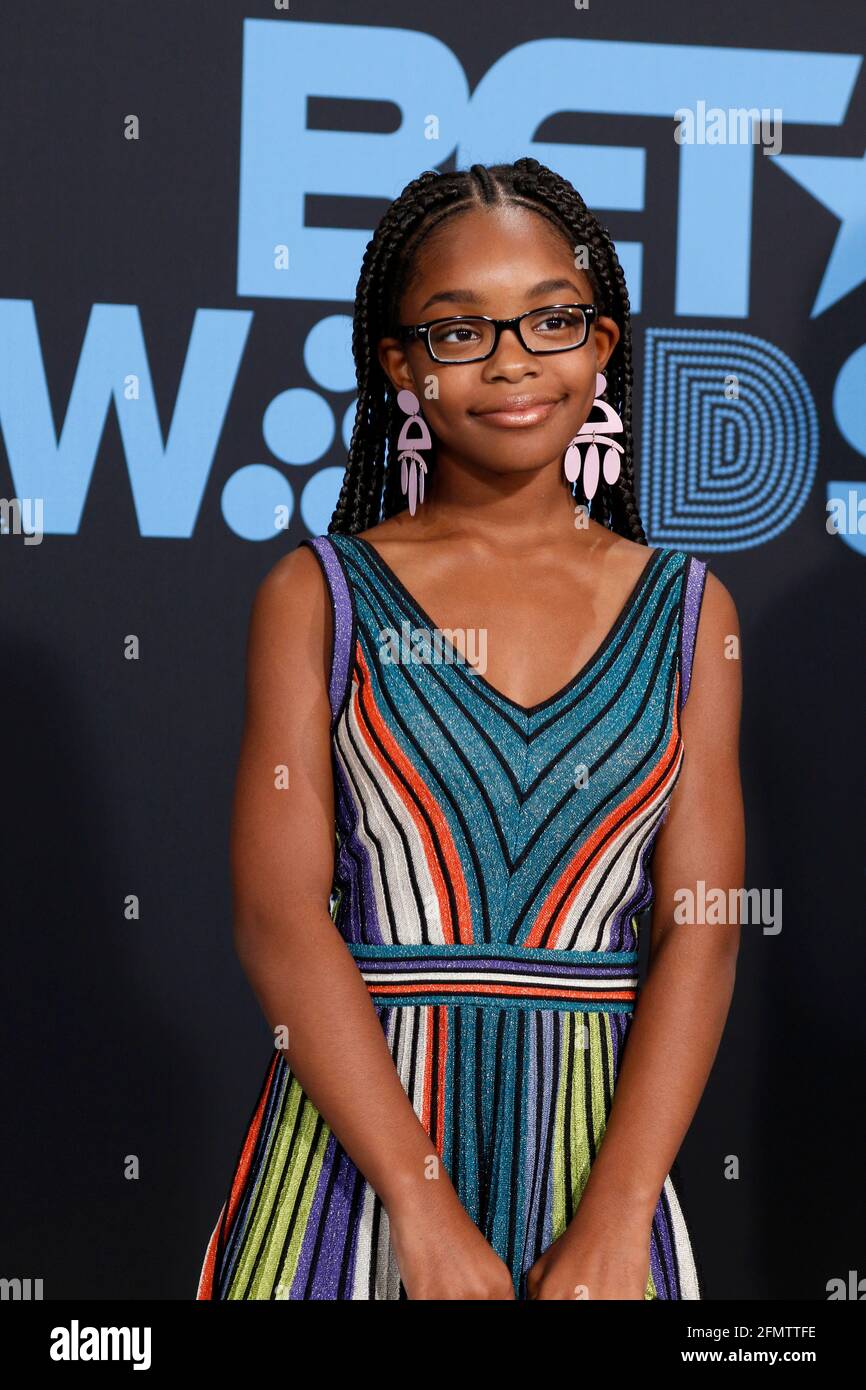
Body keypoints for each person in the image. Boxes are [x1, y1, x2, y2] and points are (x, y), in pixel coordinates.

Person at [197, 158, 744, 1301]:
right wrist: (418, 1201)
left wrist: (617, 1215)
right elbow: (276, 915)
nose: (512, 361)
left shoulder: (689, 611)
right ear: (397, 364)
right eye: (459, 332)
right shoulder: (318, 595)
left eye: (550, 318)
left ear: (600, 345)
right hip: (353, 1166)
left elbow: (699, 930)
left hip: (594, 1162)